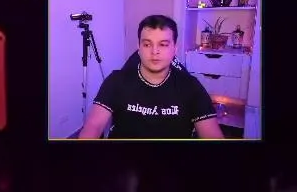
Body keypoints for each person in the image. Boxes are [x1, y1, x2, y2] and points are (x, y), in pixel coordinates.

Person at [77, 15, 225, 139]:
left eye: (163, 44)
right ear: (139, 48)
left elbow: (212, 135)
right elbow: (93, 126)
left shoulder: (190, 87)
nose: (155, 51)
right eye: (147, 44)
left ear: (175, 49)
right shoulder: (117, 81)